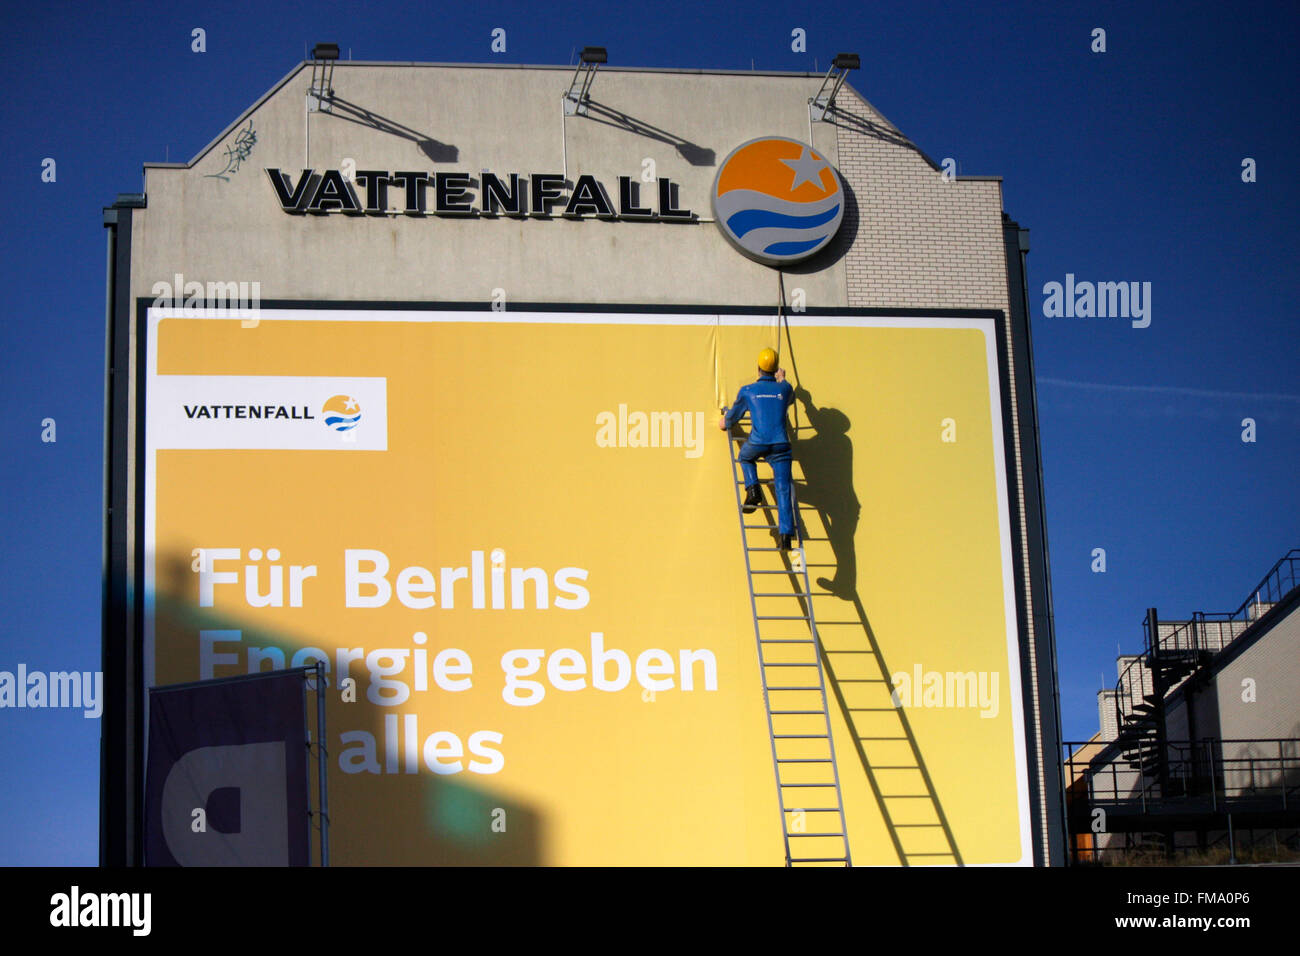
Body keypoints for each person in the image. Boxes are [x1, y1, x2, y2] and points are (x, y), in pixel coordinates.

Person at [719, 348, 797, 549]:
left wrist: (724, 421)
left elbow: (732, 418)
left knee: (745, 458)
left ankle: (753, 489)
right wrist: (782, 380)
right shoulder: (784, 389)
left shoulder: (748, 391)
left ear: (758, 368)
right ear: (776, 369)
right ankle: (786, 535)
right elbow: (791, 396)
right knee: (783, 488)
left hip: (758, 442)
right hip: (781, 445)